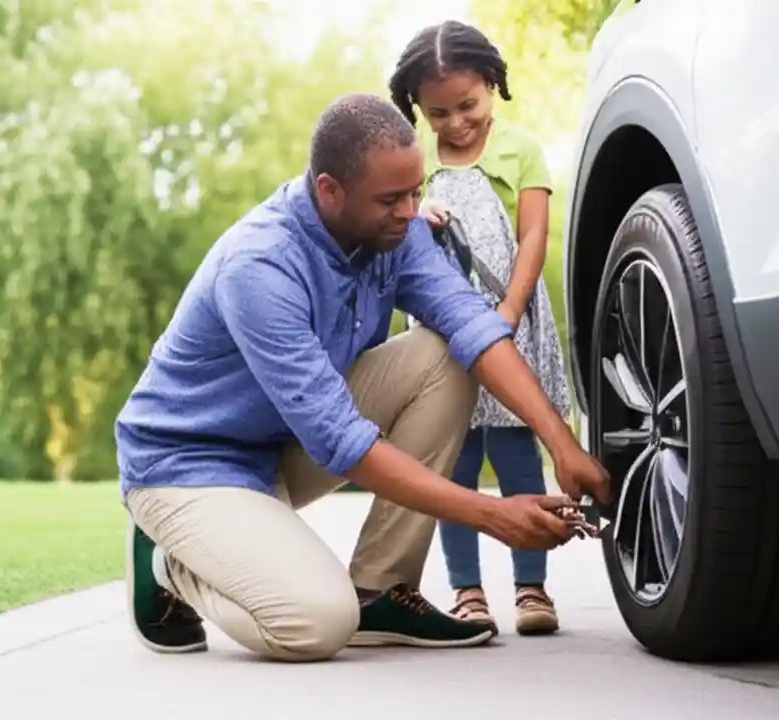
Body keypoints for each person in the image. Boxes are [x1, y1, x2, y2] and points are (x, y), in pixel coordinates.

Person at [114, 92, 610, 663]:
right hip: (187, 466)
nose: (410, 210)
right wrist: (495, 515)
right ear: (330, 190)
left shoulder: (393, 236)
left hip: (276, 443)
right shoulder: (261, 267)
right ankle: (175, 560)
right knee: (317, 623)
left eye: (415, 191)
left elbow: (472, 326)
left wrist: (562, 442)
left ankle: (380, 590)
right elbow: (342, 442)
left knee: (445, 355)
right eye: (390, 199)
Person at [388, 20, 571, 636]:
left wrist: (509, 316)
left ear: (492, 84)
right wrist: (422, 212)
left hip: (510, 318)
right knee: (453, 461)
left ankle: (532, 588)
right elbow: (395, 228)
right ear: (418, 108)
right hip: (441, 331)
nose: (456, 123)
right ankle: (466, 590)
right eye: (437, 112)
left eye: (467, 105)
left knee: (518, 454)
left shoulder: (519, 149)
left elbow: (533, 238)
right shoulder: (414, 161)